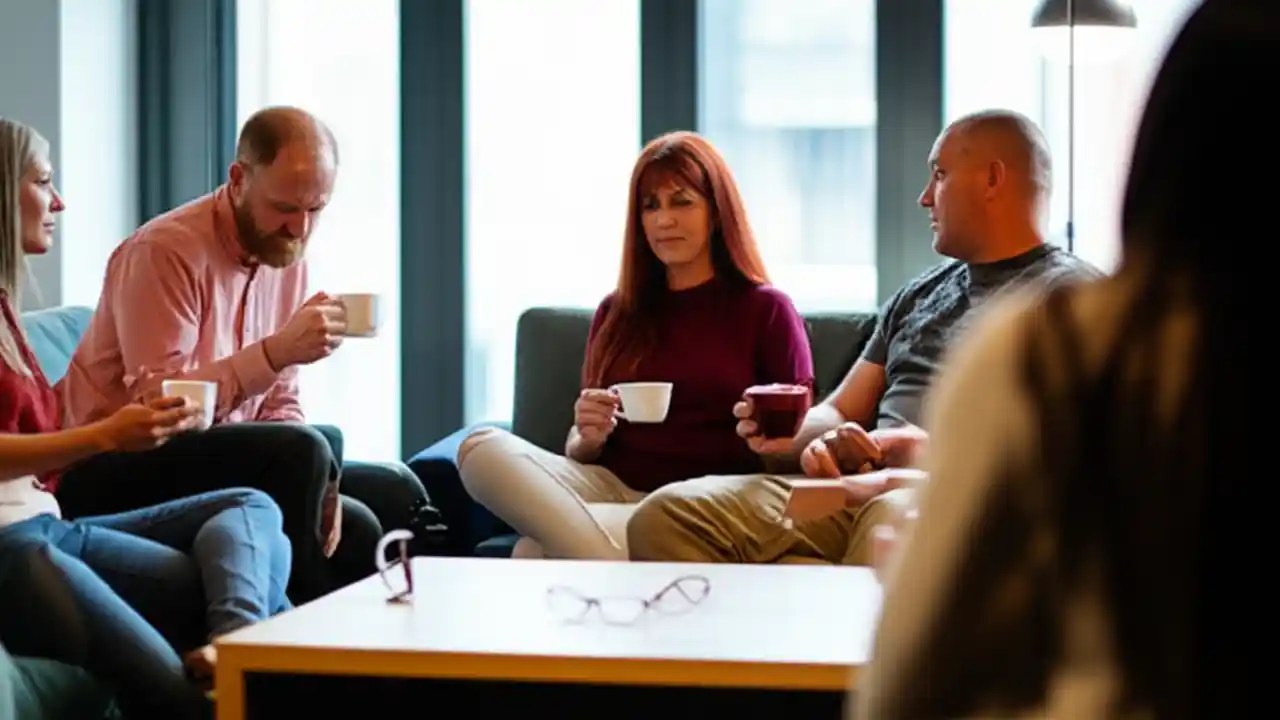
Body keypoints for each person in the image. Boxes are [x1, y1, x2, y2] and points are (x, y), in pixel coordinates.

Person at [855, 2, 1254, 717]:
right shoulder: (964, 312)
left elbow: (904, 686)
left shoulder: (1050, 347)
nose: (924, 197)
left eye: (939, 175)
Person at [627, 109, 1100, 565]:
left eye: (939, 175)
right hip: (851, 491)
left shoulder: (1074, 300)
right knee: (668, 517)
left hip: (948, 495)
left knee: (892, 522)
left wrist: (926, 453)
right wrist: (788, 435)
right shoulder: (920, 294)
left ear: (993, 179)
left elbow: (1075, 454)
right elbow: (840, 409)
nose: (924, 198)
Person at [55, 106, 431, 598]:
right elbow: (162, 408)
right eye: (285, 208)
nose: (299, 229)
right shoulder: (164, 252)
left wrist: (321, 479)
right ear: (238, 180)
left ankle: (389, 644)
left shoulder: (287, 257)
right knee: (307, 451)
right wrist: (274, 354)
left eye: (316, 210)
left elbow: (279, 404)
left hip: (222, 456)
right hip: (109, 464)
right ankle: (287, 638)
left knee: (387, 497)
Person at [0, 115, 291, 720]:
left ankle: (235, 643)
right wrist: (107, 434)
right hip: (14, 550)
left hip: (50, 527)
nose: (58, 201)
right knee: (189, 695)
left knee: (252, 509)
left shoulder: (6, 313)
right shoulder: (164, 251)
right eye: (43, 181)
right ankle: (243, 660)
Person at [456, 130, 814, 560]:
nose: (664, 220)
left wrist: (762, 431)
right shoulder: (617, 312)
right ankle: (616, 555)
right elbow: (580, 447)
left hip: (708, 502)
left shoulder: (767, 309)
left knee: (533, 551)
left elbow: (795, 442)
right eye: (651, 206)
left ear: (717, 211)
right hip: (610, 488)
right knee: (479, 448)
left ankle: (601, 552)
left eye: (682, 202)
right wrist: (585, 437)